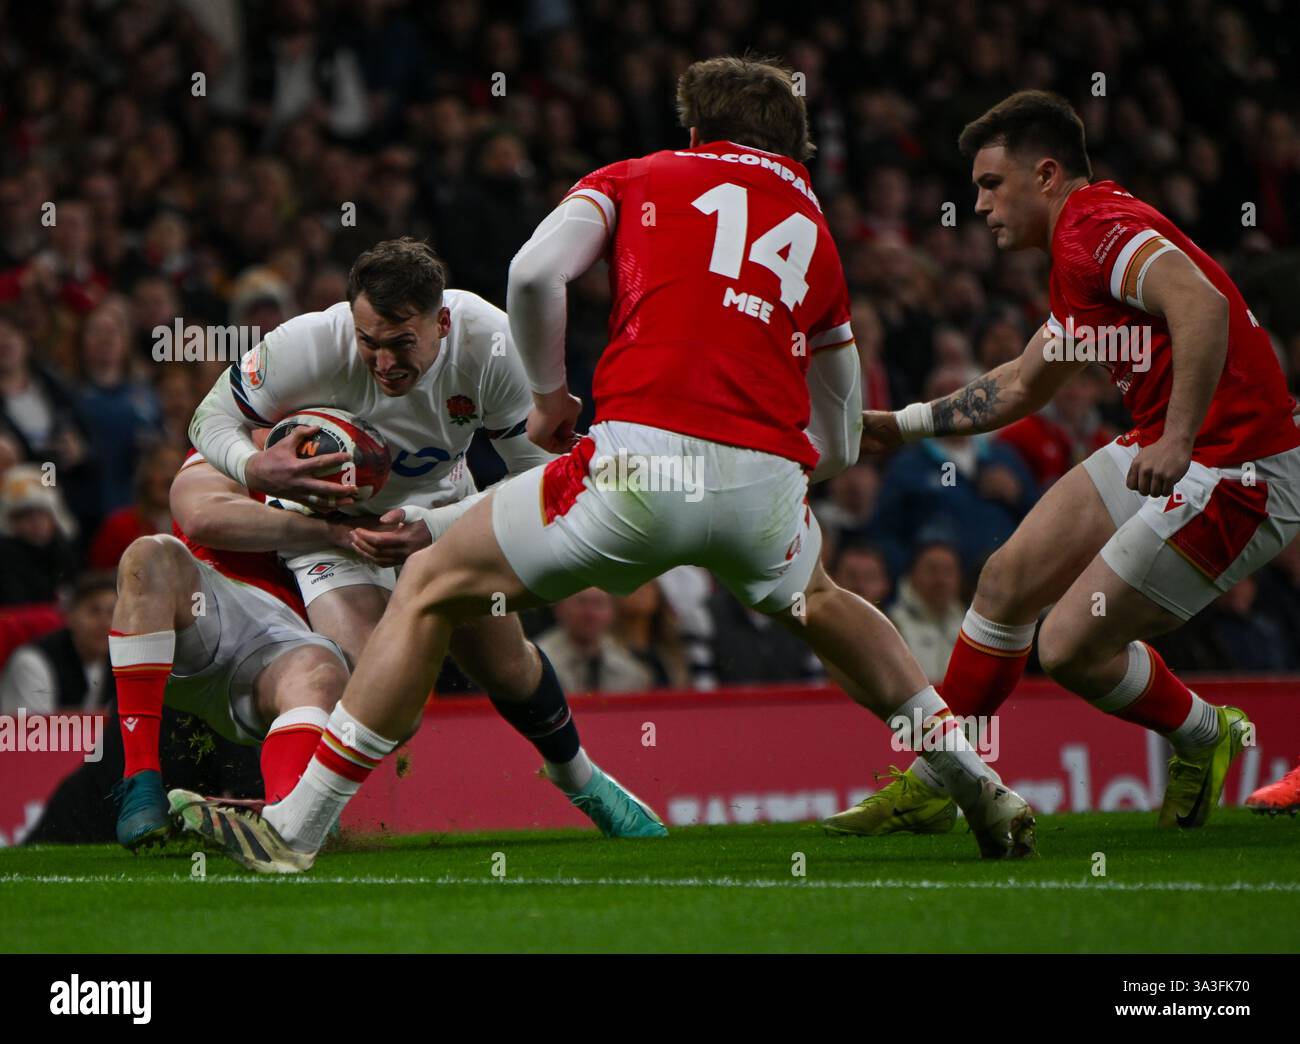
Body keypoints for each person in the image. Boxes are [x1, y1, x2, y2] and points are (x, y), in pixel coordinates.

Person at [177, 56, 1036, 872]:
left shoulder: (638, 175)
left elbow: (534, 271)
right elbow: (841, 427)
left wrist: (549, 396)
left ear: (699, 126)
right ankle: (978, 782)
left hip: (637, 465)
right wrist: (798, 469)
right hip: (766, 479)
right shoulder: (814, 229)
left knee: (434, 582)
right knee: (824, 603)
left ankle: (296, 825)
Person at [826, 90, 1300, 837]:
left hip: (1239, 470)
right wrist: (903, 425)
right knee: (1007, 582)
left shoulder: (1098, 229)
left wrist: (1176, 439)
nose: (977, 204)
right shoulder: (1078, 249)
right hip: (1169, 443)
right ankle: (939, 780)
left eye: (989, 184)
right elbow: (1020, 383)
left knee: (1071, 647)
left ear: (1046, 174)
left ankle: (1204, 733)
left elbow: (1201, 305)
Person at [175, 239, 665, 861]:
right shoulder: (309, 343)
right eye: (368, 341)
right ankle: (290, 815)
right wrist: (255, 467)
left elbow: (539, 473)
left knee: (506, 666)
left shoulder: (493, 345)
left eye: (400, 342)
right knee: (381, 700)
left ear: (442, 322)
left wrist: (435, 528)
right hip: (336, 531)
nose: (382, 361)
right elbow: (208, 418)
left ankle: (586, 785)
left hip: (444, 512)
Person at [0, 571, 116, 714]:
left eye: (112, 613)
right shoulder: (32, 662)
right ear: (69, 615)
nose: (104, 623)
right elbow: (36, 731)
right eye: (94, 612)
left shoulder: (120, 660)